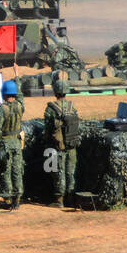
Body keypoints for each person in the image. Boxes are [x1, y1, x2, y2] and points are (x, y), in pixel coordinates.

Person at [43, 78, 81, 208]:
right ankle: (71, 198)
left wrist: (47, 143)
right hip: (72, 144)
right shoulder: (73, 107)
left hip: (57, 146)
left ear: (56, 92)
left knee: (59, 172)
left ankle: (59, 200)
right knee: (71, 171)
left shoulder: (51, 108)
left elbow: (47, 128)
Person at [0, 79, 25, 210]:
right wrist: (17, 77)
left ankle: (8, 198)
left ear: (4, 94)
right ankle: (18, 198)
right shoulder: (20, 106)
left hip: (5, 144)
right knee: (17, 171)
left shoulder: (2, 109)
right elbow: (21, 96)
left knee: (5, 172)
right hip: (17, 143)